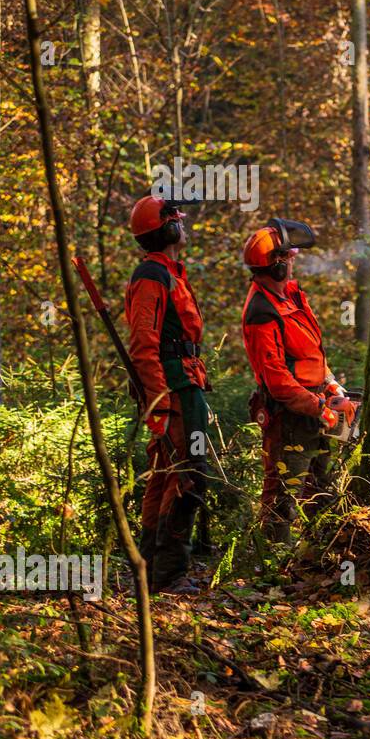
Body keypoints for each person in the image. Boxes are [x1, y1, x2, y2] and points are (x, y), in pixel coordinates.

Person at [240, 218, 356, 544]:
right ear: (275, 265)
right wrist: (319, 408)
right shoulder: (263, 311)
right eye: (288, 255)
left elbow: (311, 353)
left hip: (312, 405)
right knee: (283, 496)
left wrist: (331, 384)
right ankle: (272, 566)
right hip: (290, 414)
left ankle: (319, 556)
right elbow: (276, 378)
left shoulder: (291, 297)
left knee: (321, 487)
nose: (294, 259)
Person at [124, 195, 210, 595]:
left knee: (168, 476)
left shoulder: (171, 272)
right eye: (178, 219)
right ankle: (169, 573)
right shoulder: (152, 277)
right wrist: (158, 401)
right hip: (172, 390)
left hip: (187, 384)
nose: (184, 224)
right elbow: (143, 343)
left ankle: (153, 573)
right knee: (187, 475)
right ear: (168, 229)